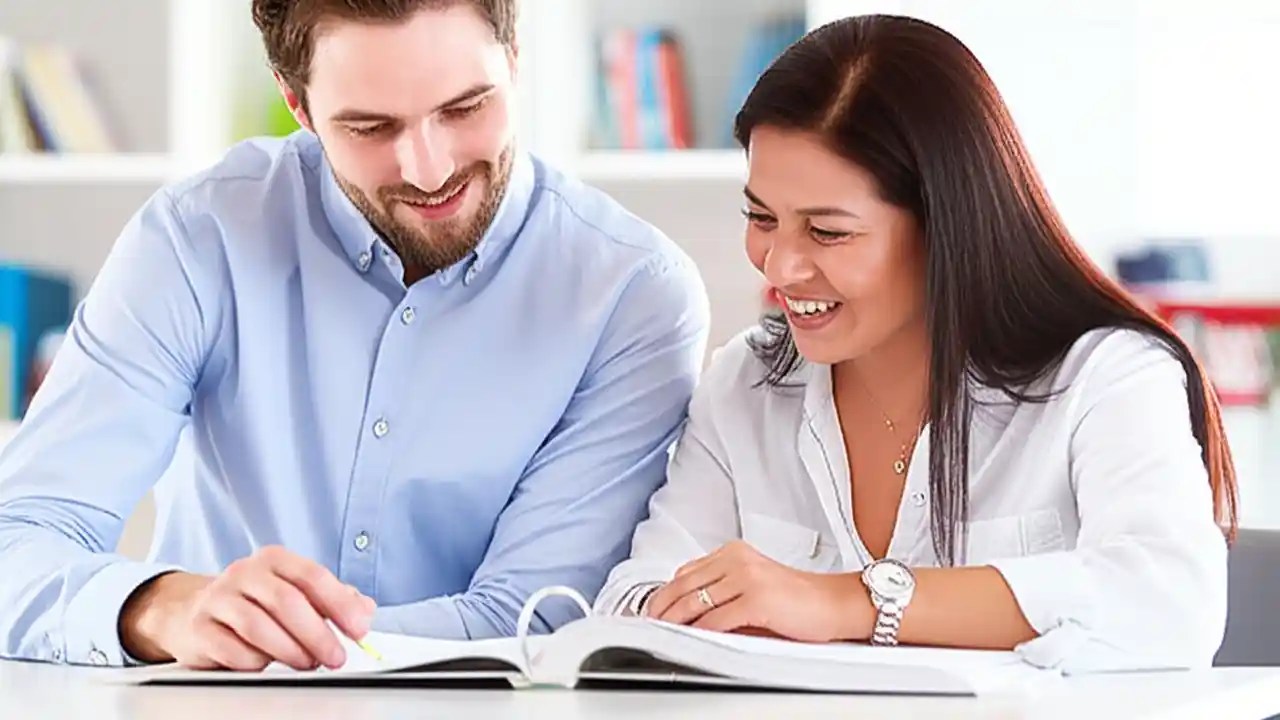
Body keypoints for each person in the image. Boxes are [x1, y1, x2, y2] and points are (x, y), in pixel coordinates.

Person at [0, 0, 709, 670]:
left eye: (466, 107)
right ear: (297, 105)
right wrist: (158, 608)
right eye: (372, 128)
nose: (429, 170)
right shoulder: (198, 239)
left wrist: (285, 645)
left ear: (515, 57)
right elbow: (18, 541)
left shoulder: (631, 294)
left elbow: (531, 621)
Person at [596, 14, 1236, 673]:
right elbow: (630, 598)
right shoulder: (746, 383)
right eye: (761, 218)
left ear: (946, 226)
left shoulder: (1105, 376)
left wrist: (847, 605)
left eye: (828, 232)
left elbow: (1169, 604)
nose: (779, 266)